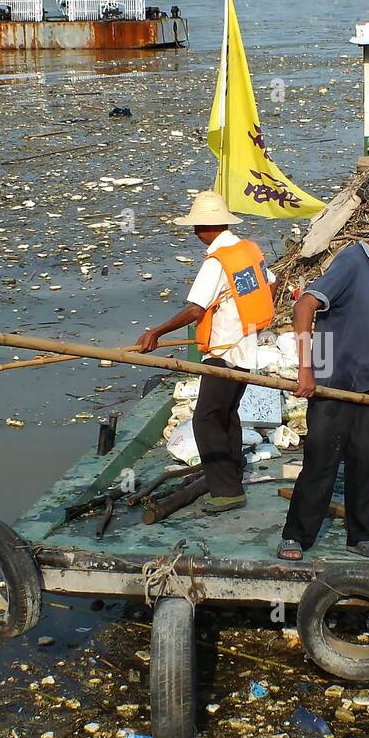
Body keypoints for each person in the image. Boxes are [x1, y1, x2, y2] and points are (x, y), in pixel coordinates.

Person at [277, 195, 369, 561]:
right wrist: (307, 369)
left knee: (366, 461)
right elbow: (304, 305)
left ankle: (362, 534)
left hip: (367, 385)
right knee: (321, 460)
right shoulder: (352, 262)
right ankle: (296, 535)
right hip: (330, 379)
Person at [136, 190, 275, 513]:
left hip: (224, 353)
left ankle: (226, 492)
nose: (195, 233)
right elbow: (271, 284)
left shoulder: (217, 262)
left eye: (197, 226)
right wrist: (254, 322)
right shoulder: (247, 250)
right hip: (245, 350)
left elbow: (196, 310)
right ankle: (233, 471)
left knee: (206, 419)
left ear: (205, 227)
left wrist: (155, 333)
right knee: (226, 415)